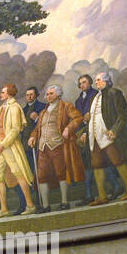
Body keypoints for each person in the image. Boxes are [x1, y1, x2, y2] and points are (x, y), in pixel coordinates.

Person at [27, 84, 84, 212]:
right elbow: (37, 129)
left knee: (61, 173)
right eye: (47, 94)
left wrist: (68, 128)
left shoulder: (65, 106)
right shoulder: (43, 112)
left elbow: (78, 118)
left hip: (58, 145)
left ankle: (65, 202)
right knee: (41, 176)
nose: (48, 96)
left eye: (51, 93)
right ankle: (46, 206)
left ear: (58, 94)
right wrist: (33, 137)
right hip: (42, 148)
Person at [87, 72, 127, 205]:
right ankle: (102, 196)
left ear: (106, 81)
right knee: (97, 166)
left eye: (98, 80)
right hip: (95, 137)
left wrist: (115, 130)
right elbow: (94, 118)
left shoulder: (114, 93)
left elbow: (124, 114)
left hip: (109, 135)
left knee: (118, 161)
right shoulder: (96, 97)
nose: (96, 83)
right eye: (96, 81)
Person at [0, 84, 37, 218]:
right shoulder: (1, 109)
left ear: (9, 93)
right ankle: (4, 209)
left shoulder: (15, 108)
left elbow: (15, 130)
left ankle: (30, 205)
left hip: (10, 147)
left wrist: (2, 145)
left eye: (3, 92)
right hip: (0, 148)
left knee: (18, 173)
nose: (1, 94)